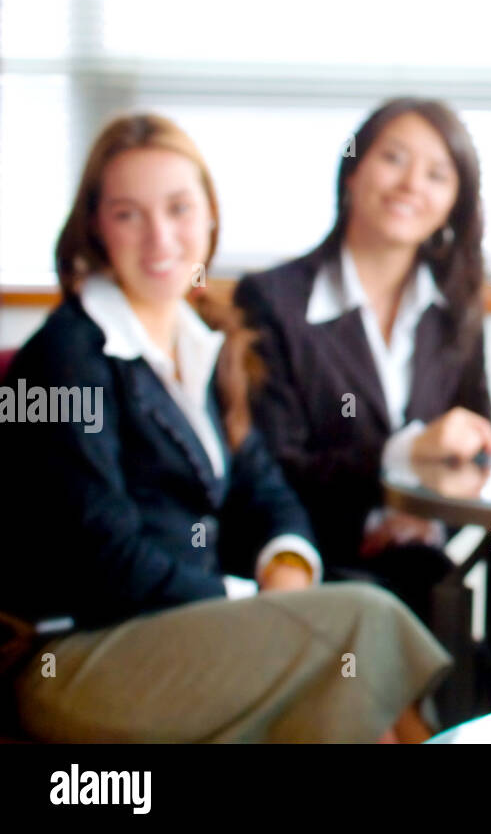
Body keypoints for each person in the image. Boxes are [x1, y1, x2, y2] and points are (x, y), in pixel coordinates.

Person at [0, 114, 448, 742]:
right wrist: (253, 604)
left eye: (179, 208)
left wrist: (285, 564)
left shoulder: (202, 339)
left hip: (188, 631)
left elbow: (263, 489)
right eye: (129, 214)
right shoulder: (67, 357)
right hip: (80, 653)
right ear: (97, 228)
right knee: (361, 624)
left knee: (351, 657)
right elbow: (104, 561)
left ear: (210, 216)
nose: (160, 237)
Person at [234, 98, 491, 621]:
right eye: (393, 158)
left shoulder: (454, 310)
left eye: (438, 174)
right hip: (308, 565)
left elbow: (479, 445)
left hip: (419, 561)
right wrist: (404, 455)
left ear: (453, 204)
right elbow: (271, 466)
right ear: (352, 171)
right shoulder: (272, 301)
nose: (411, 184)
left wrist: (428, 520)